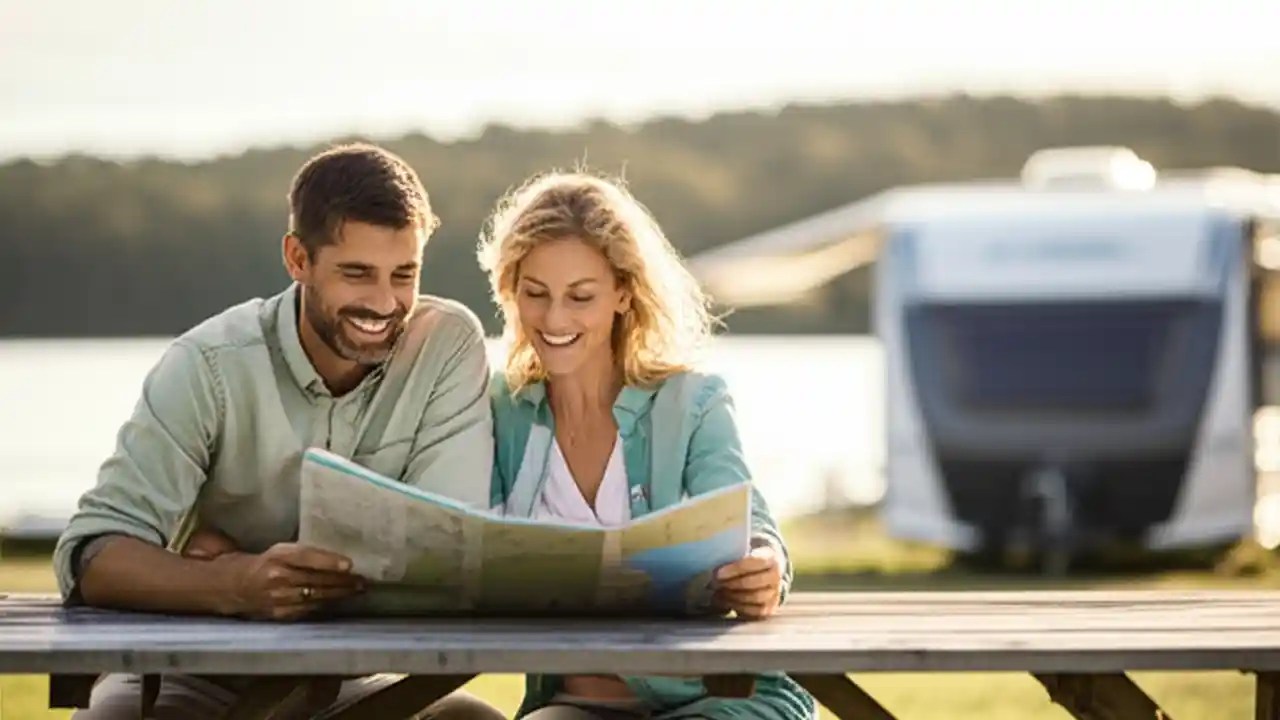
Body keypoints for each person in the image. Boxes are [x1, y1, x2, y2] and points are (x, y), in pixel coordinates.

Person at [52, 143, 504, 720]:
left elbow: (448, 561)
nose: (385, 302)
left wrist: (217, 562)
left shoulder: (445, 347)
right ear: (297, 258)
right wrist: (234, 585)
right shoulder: (208, 365)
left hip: (351, 679)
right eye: (357, 274)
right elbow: (93, 555)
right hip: (199, 673)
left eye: (404, 274)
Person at [477, 171, 817, 720]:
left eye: (580, 296)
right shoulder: (502, 410)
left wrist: (765, 564)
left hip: (714, 699)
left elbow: (749, 521)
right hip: (574, 705)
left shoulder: (692, 402)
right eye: (535, 293)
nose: (554, 318)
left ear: (622, 293)